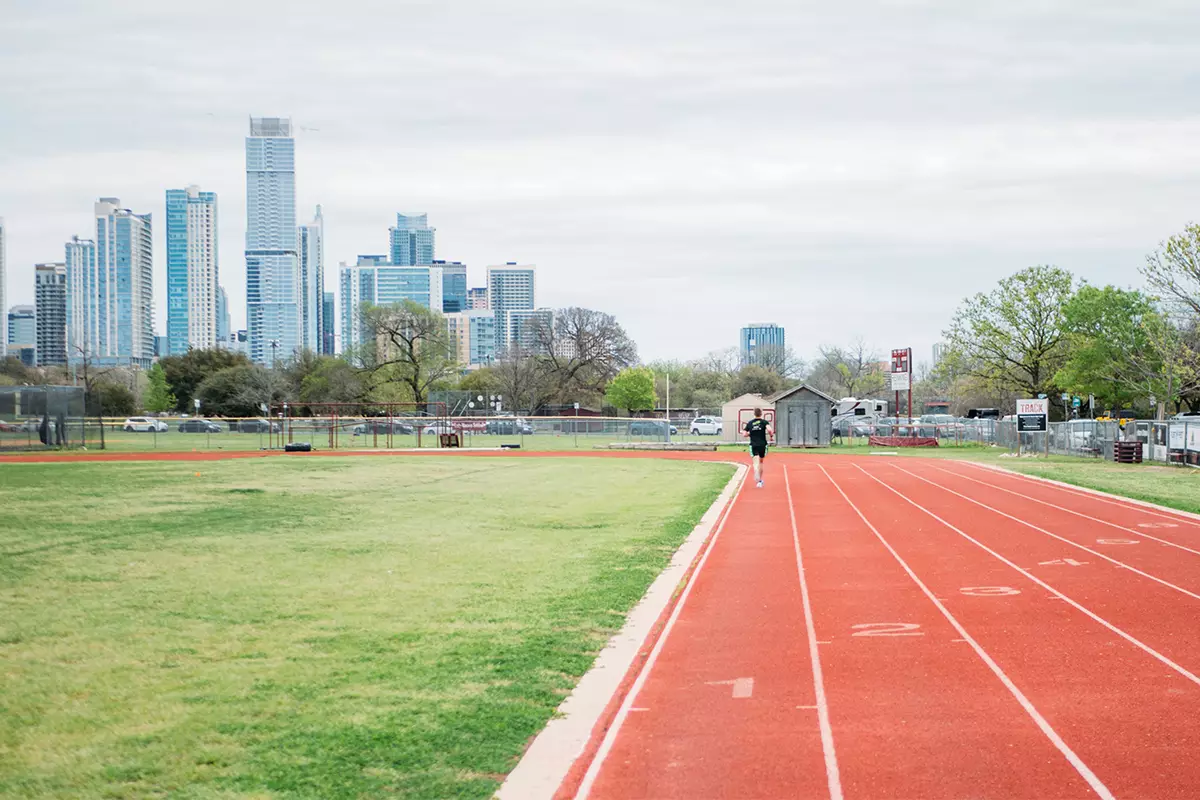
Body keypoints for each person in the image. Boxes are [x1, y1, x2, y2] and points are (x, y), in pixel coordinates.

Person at [743, 408, 772, 488]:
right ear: (761, 413)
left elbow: (744, 434)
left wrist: (750, 433)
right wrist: (771, 435)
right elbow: (770, 430)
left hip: (753, 445)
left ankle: (756, 472)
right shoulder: (764, 422)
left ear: (754, 414)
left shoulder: (750, 423)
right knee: (761, 462)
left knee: (755, 462)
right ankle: (759, 481)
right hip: (762, 444)